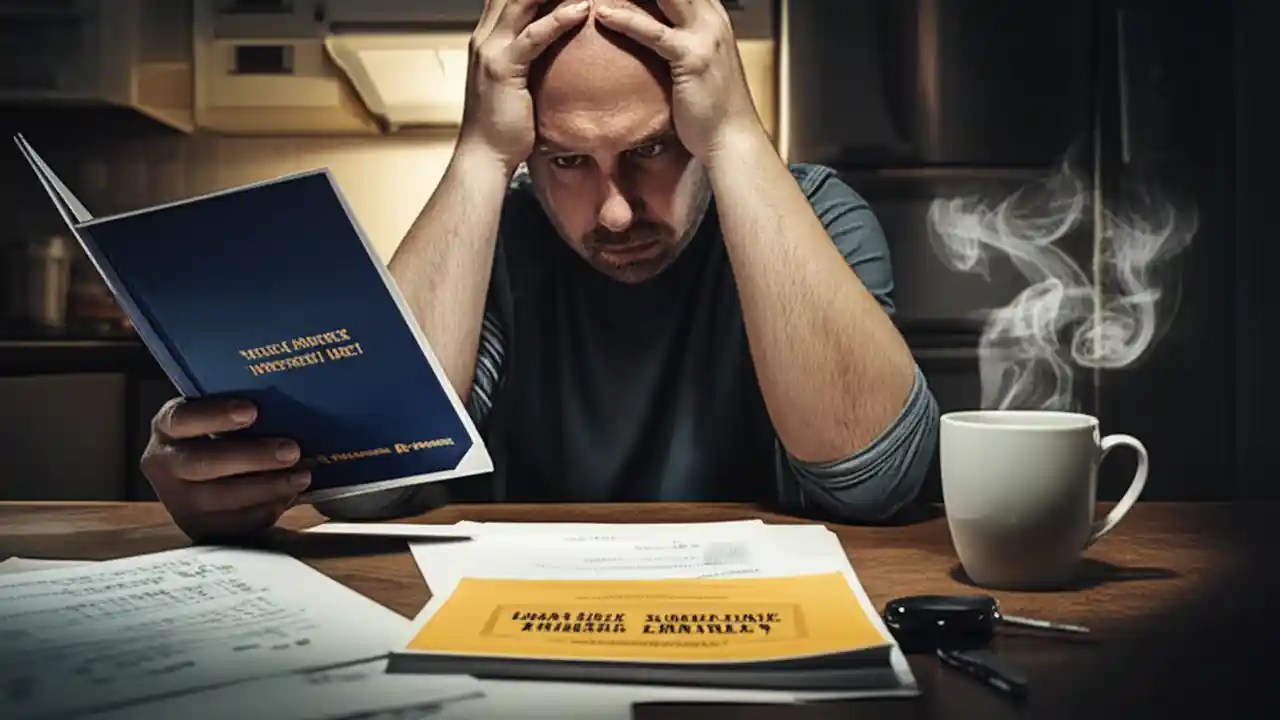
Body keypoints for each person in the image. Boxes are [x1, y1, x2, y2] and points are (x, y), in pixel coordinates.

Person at [140, 0, 940, 541]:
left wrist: (736, 135)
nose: (615, 211)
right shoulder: (498, 240)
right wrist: (481, 154)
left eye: (651, 150)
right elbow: (374, 487)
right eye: (566, 161)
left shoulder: (814, 215)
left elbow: (875, 482)